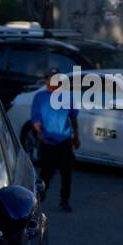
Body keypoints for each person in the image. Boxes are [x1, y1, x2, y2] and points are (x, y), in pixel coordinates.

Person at [31, 68, 80, 211]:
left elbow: (73, 118)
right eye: (50, 78)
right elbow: (36, 118)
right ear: (45, 80)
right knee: (46, 173)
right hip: (47, 142)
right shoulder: (39, 97)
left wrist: (76, 137)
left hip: (64, 141)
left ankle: (64, 200)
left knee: (67, 172)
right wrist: (38, 129)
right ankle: (40, 196)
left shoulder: (68, 97)